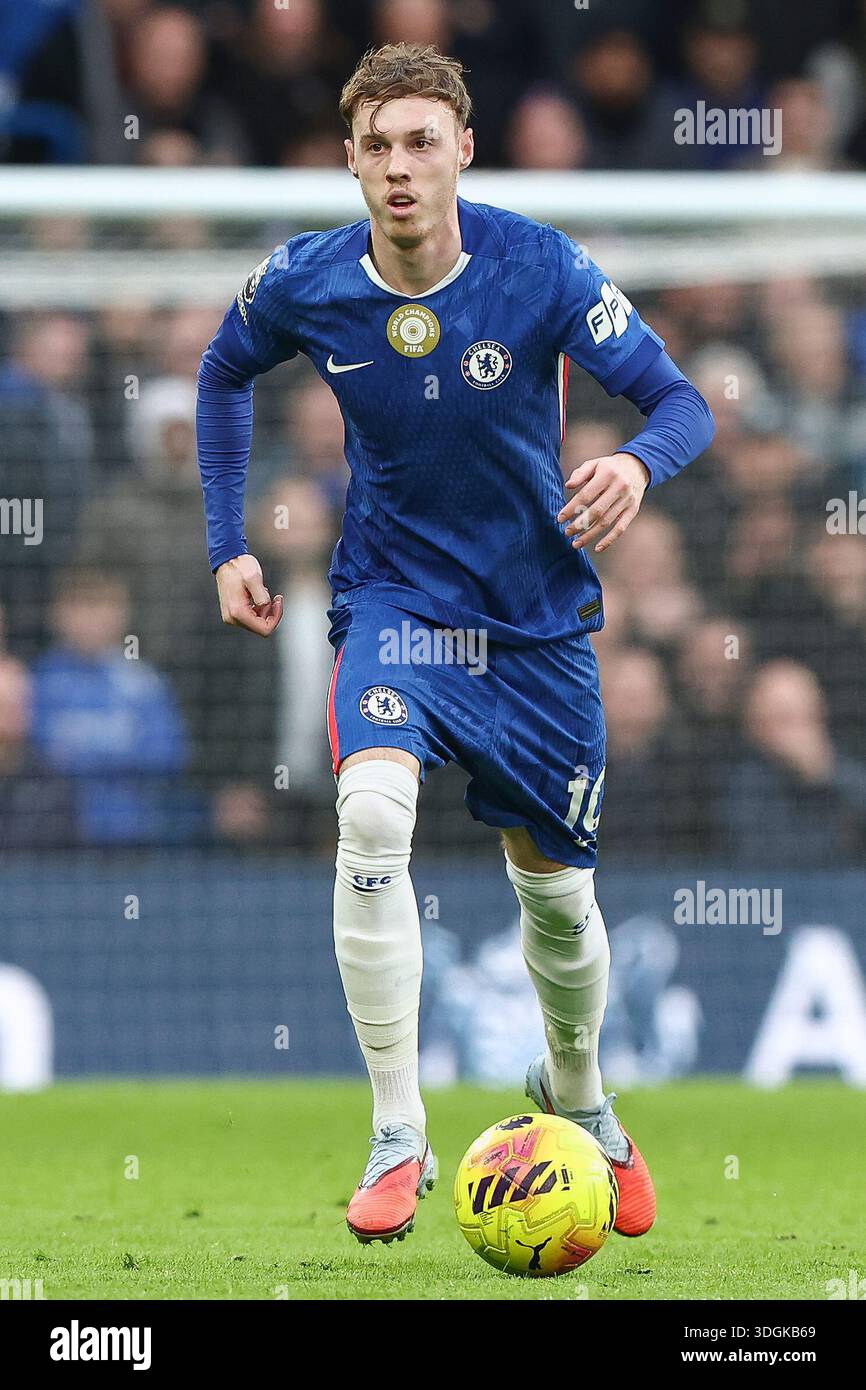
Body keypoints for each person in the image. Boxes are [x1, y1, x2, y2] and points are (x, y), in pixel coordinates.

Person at [196, 43, 714, 1247]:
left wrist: (636, 464)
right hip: (395, 607)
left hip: (534, 628)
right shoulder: (307, 282)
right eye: (375, 146)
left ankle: (581, 1098)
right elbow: (223, 368)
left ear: (463, 152)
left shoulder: (538, 268)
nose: (398, 168)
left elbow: (678, 399)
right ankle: (395, 1132)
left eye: (421, 141)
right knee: (371, 818)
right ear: (349, 160)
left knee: (559, 907)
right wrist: (228, 541)